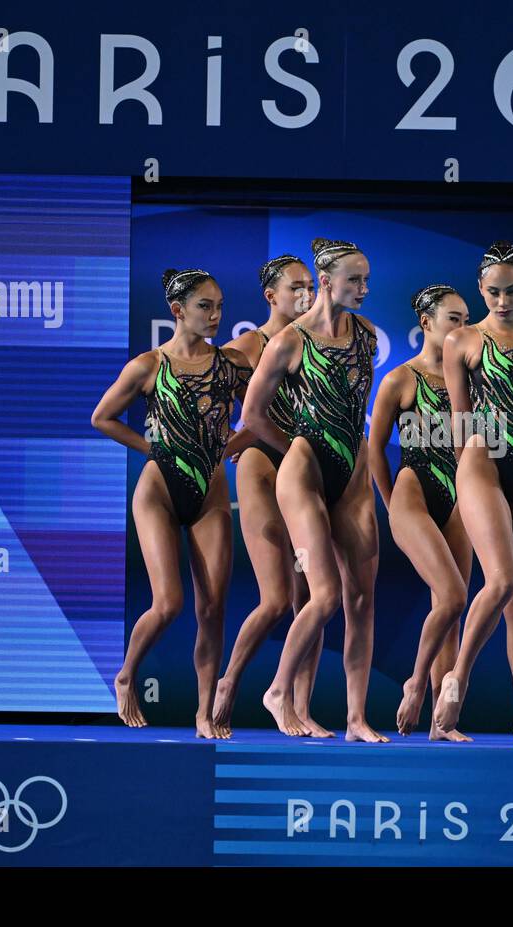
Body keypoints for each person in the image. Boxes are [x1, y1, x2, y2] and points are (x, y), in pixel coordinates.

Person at [91, 268, 251, 739]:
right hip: (159, 490)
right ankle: (125, 675)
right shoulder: (148, 366)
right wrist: (155, 450)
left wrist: (230, 444)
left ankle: (204, 713)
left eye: (220, 306)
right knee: (168, 603)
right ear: (178, 310)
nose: (216, 315)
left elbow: (263, 414)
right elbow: (102, 418)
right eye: (206, 306)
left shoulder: (232, 366)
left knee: (213, 606)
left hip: (211, 491)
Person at [240, 238, 388, 742]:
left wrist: (349, 460)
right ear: (326, 282)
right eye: (355, 280)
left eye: (367, 280)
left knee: (362, 598)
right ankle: (278, 691)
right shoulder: (290, 341)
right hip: (303, 472)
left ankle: (355, 718)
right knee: (322, 595)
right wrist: (299, 447)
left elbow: (354, 408)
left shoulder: (366, 335)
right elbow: (251, 417)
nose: (365, 289)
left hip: (352, 471)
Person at [432, 241, 513, 745]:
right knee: (502, 580)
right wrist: (469, 480)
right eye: (492, 292)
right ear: (481, 290)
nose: (502, 300)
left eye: (511, 291)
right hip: (482, 460)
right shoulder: (462, 341)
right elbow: (460, 421)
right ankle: (456, 677)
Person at [212, 255, 333, 737]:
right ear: (271, 296)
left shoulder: (322, 341)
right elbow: (213, 411)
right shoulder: (247, 347)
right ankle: (230, 682)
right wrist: (241, 437)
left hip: (304, 472)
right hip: (265, 467)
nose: (306, 295)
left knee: (314, 598)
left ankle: (299, 708)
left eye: (311, 286)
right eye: (296, 288)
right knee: (278, 598)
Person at [368, 284, 474, 741]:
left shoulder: (472, 380)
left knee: (450, 611)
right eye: (454, 318)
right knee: (452, 596)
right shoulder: (402, 379)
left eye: (467, 318)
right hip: (414, 490)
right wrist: (392, 505)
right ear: (427, 323)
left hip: (459, 497)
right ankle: (414, 685)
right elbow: (375, 448)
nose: (463, 327)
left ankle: (441, 722)